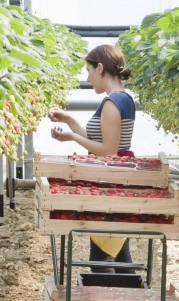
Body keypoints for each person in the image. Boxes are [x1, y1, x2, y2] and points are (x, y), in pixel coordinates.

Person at [48, 44, 136, 272]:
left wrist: (72, 138)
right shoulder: (121, 99)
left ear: (100, 68)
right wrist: (68, 120)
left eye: (88, 71)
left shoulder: (112, 103)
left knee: (103, 256)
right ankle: (131, 300)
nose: (87, 78)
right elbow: (99, 140)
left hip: (110, 182)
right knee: (117, 250)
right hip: (116, 180)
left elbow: (108, 151)